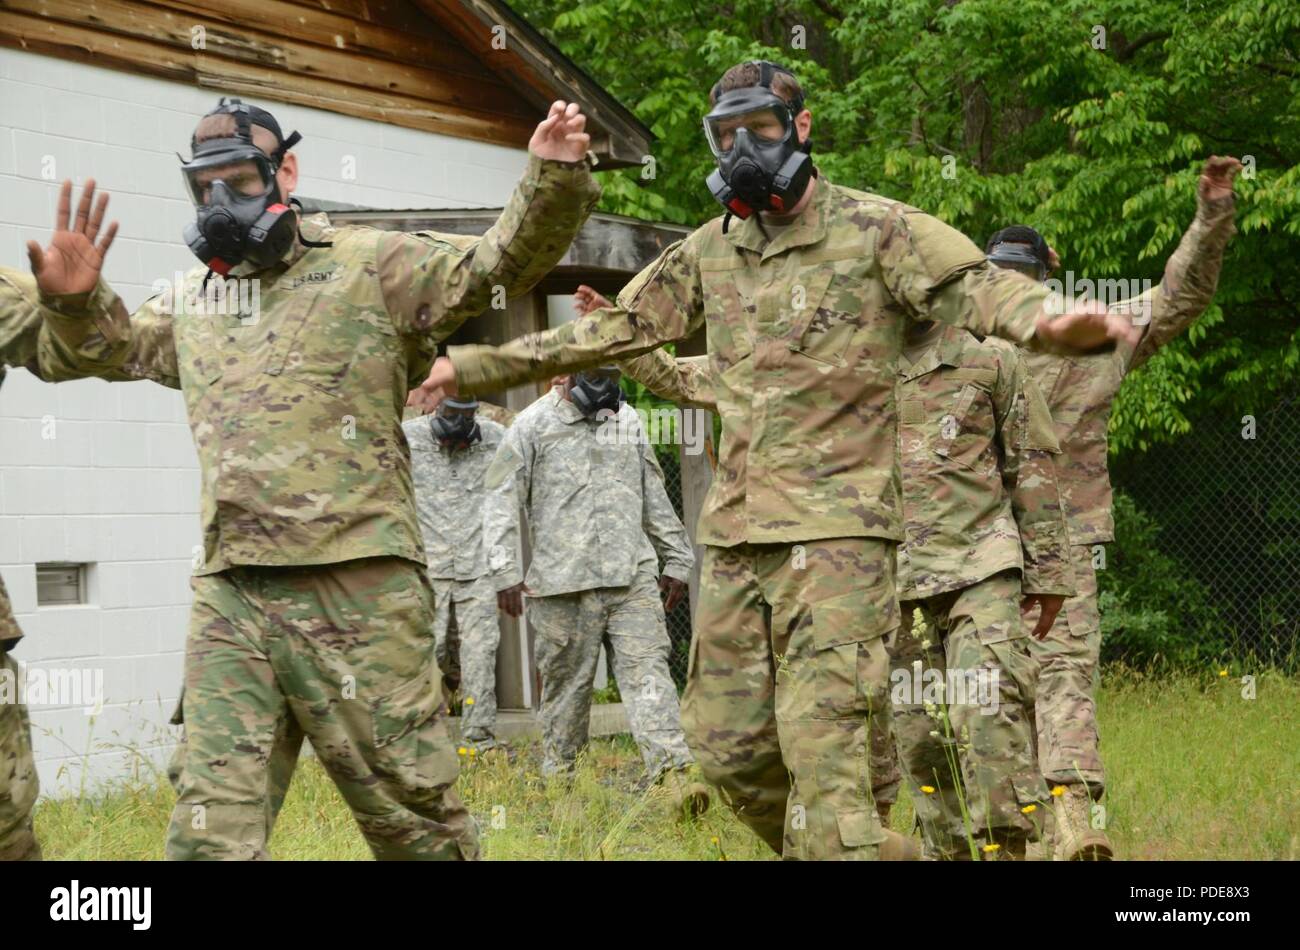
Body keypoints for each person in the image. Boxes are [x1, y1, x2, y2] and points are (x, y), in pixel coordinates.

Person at [410, 61, 1137, 860]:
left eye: (757, 127)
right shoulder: (710, 249)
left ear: (801, 125)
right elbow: (614, 331)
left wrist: (1050, 323)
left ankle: (853, 841)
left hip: (841, 544)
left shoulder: (877, 229)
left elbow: (979, 290)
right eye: (724, 134)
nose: (740, 146)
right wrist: (476, 368)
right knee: (726, 752)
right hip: (736, 540)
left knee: (826, 760)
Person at [30, 94, 602, 860]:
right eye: (206, 187)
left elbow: (496, 265)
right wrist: (75, 304)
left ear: (285, 171)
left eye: (239, 179)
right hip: (234, 595)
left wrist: (553, 178)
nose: (222, 201)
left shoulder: (373, 265)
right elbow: (113, 351)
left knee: (417, 826)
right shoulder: (193, 301)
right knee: (207, 834)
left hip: (360, 589)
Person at [984, 155, 1241, 860]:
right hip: (1062, 536)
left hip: (968, 541)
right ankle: (1071, 821)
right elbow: (1179, 297)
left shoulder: (962, 337)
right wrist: (1211, 212)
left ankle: (1003, 833)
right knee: (1063, 673)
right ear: (1048, 272)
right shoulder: (1090, 333)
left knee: (986, 683)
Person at [483, 368, 709, 813]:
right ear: (564, 375)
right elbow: (499, 497)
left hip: (631, 578)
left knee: (650, 677)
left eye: (610, 379)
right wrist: (503, 570)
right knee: (567, 696)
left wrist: (677, 558)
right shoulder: (530, 425)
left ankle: (675, 777)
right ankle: (565, 788)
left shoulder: (627, 419)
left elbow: (653, 490)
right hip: (562, 589)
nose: (604, 394)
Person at [403, 398, 507, 753]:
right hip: (427, 568)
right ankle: (421, 742)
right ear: (434, 406)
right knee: (429, 653)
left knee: (480, 654)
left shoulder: (496, 438)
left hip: (478, 569)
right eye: (450, 414)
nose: (458, 422)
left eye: (466, 415)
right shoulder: (407, 438)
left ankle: (480, 742)